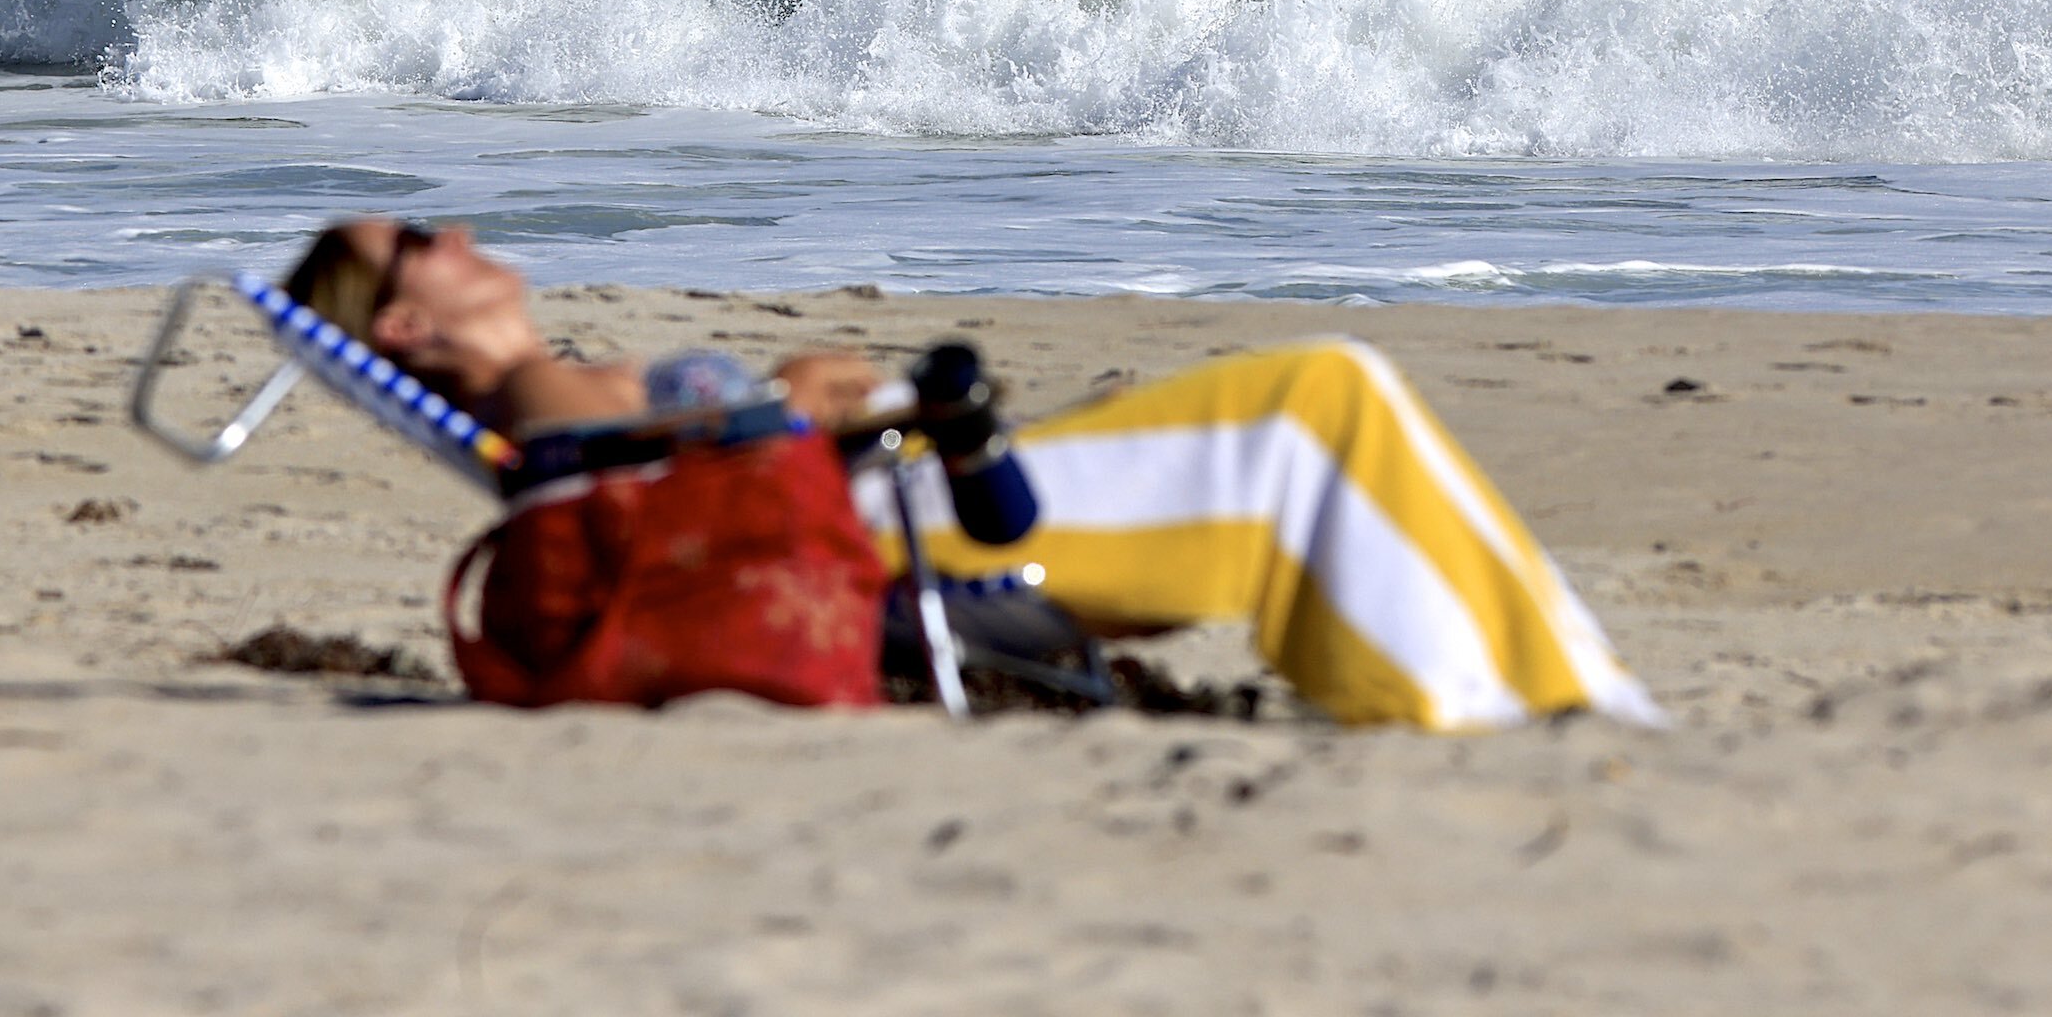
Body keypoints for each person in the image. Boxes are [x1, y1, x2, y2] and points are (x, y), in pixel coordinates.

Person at [285, 219, 1663, 732]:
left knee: (1325, 408)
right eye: (419, 241)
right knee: (1324, 404)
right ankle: (1485, 704)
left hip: (887, 502)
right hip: (899, 528)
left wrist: (795, 399)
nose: (456, 229)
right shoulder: (549, 397)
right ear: (403, 326)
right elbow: (674, 473)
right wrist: (789, 402)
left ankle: (1538, 692)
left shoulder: (570, 399)